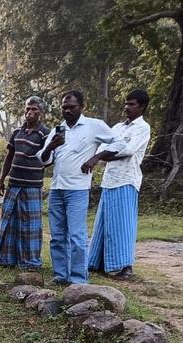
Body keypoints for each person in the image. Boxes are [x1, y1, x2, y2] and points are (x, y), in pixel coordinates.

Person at [39, 90, 118, 285]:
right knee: (57, 236)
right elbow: (42, 159)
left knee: (76, 236)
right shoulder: (58, 130)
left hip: (78, 190)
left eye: (71, 107)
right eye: (64, 107)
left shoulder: (94, 126)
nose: (67, 111)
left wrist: (96, 157)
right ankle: (61, 275)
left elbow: (119, 142)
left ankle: (78, 279)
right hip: (57, 189)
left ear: (81, 107)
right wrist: (51, 146)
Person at [86, 90, 152, 280]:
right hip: (109, 179)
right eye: (126, 104)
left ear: (142, 106)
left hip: (126, 179)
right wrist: (103, 153)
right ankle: (98, 263)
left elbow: (128, 150)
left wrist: (100, 156)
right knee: (104, 223)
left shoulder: (142, 127)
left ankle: (126, 267)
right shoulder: (118, 127)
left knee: (123, 224)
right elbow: (102, 146)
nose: (127, 108)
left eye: (131, 104)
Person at [0, 97, 52, 271]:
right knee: (9, 221)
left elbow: (47, 160)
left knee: (30, 226)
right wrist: (2, 178)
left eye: (34, 109)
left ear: (40, 112)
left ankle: (29, 262)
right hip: (14, 183)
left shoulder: (45, 133)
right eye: (27, 109)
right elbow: (9, 157)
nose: (29, 113)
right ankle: (7, 259)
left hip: (32, 185)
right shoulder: (17, 132)